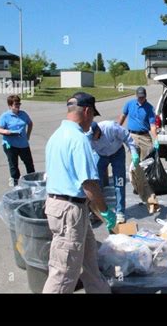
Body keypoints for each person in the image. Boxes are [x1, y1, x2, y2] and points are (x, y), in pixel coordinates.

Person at [43, 92, 115, 294]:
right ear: (87, 111)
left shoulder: (56, 136)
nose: (92, 121)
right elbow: (89, 185)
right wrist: (105, 211)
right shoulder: (78, 139)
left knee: (89, 259)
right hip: (69, 210)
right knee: (64, 272)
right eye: (93, 115)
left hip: (64, 207)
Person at [87, 120, 139, 224]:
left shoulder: (110, 127)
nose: (93, 139)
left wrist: (134, 152)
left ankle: (120, 212)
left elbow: (127, 137)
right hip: (100, 155)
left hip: (117, 153)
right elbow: (86, 152)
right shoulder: (88, 138)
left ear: (98, 131)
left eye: (94, 136)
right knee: (96, 183)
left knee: (119, 182)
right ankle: (98, 211)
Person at [118, 87, 160, 212]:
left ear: (145, 96)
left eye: (142, 97)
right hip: (132, 136)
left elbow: (152, 125)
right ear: (136, 96)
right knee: (135, 165)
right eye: (139, 97)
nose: (140, 99)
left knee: (146, 164)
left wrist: (156, 138)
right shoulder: (129, 104)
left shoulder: (149, 108)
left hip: (145, 136)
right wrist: (117, 129)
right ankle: (141, 189)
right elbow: (122, 117)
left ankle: (142, 185)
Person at [0, 94, 35, 186]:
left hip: (23, 144)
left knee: (29, 164)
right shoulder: (5, 116)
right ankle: (15, 186)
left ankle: (33, 183)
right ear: (10, 106)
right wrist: (8, 132)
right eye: (16, 104)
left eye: (19, 104)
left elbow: (30, 123)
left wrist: (27, 135)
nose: (18, 106)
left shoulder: (23, 114)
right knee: (13, 166)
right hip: (9, 145)